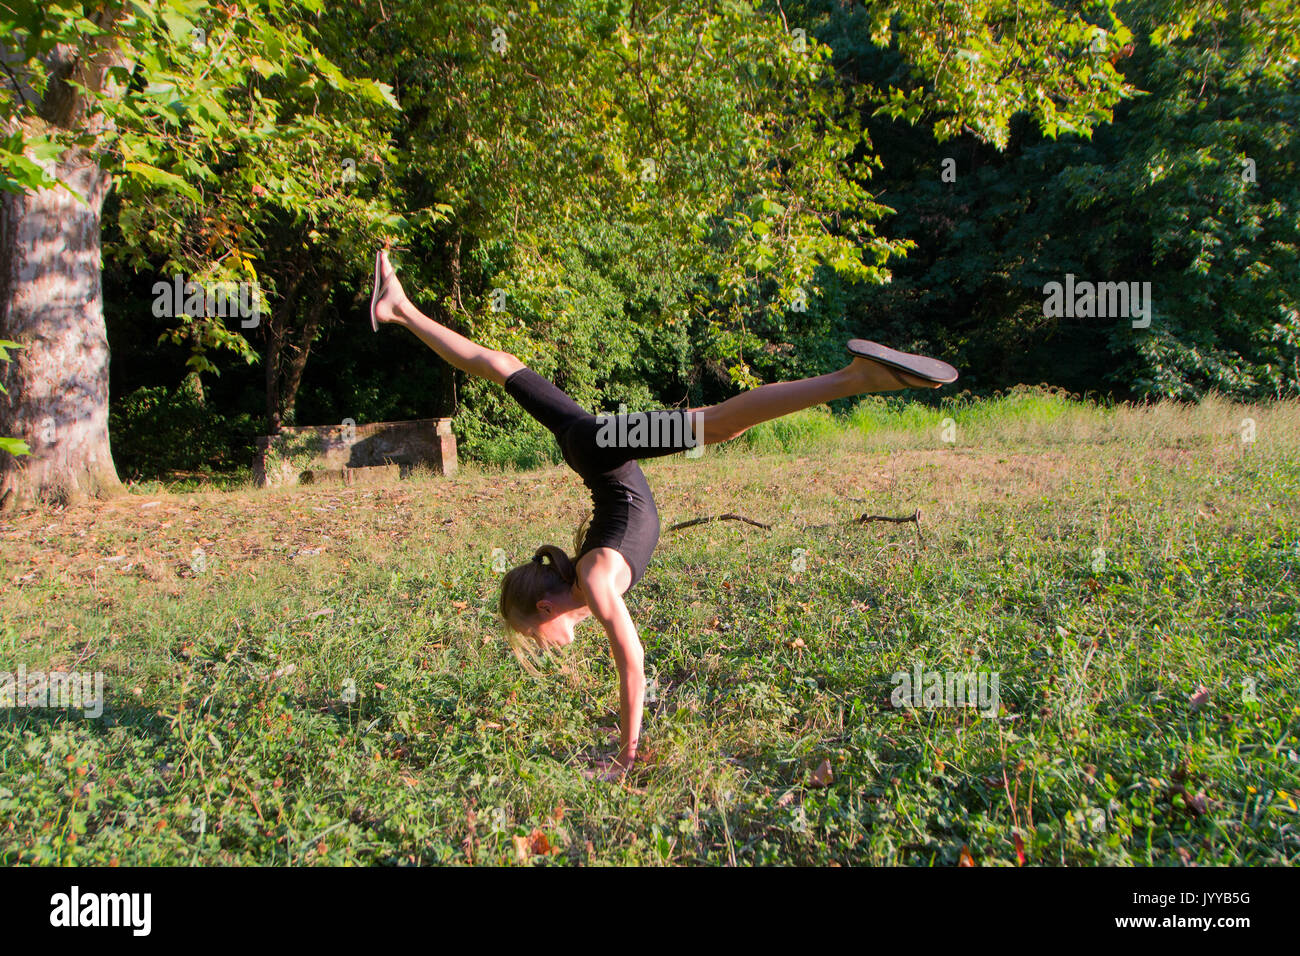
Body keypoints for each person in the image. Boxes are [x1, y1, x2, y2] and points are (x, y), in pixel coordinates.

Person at [369, 249, 957, 778]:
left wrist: (626, 755)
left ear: (546, 606)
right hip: (587, 443)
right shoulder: (587, 576)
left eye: (532, 633)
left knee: (722, 424)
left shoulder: (596, 582)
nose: (541, 645)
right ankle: (400, 308)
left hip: (599, 445)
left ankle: (856, 377)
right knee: (501, 365)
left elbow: (633, 662)